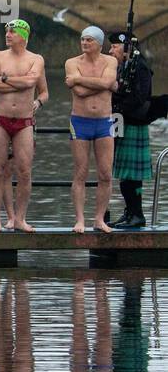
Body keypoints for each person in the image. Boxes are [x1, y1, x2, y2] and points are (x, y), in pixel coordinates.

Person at [0, 19, 44, 232]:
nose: (8, 35)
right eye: (6, 31)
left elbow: (32, 83)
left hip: (24, 121)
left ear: (23, 36)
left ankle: (20, 218)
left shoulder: (36, 59)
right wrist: (18, 83)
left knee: (25, 171)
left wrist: (6, 79)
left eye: (12, 32)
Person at [65, 26, 118, 232]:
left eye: (89, 40)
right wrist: (103, 85)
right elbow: (78, 92)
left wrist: (78, 79)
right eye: (82, 39)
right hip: (80, 121)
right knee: (81, 172)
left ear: (99, 43)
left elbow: (108, 81)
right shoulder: (72, 62)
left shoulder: (110, 61)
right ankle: (80, 220)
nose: (84, 43)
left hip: (105, 122)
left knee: (105, 174)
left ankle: (99, 219)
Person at [110, 30, 154, 229]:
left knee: (131, 175)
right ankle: (129, 213)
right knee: (124, 175)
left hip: (134, 123)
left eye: (114, 47)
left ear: (127, 47)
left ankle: (137, 214)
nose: (111, 51)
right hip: (122, 121)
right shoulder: (123, 67)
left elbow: (140, 96)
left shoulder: (140, 67)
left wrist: (120, 106)